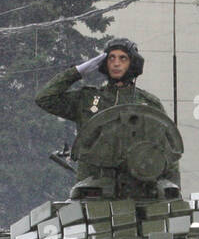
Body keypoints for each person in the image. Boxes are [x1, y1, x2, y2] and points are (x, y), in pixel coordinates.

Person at [35, 38, 177, 181]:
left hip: (139, 186)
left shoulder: (147, 104)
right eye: (111, 58)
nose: (116, 63)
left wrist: (172, 190)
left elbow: (167, 151)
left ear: (133, 63)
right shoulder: (87, 99)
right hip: (93, 187)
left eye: (123, 58)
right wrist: (76, 72)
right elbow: (45, 99)